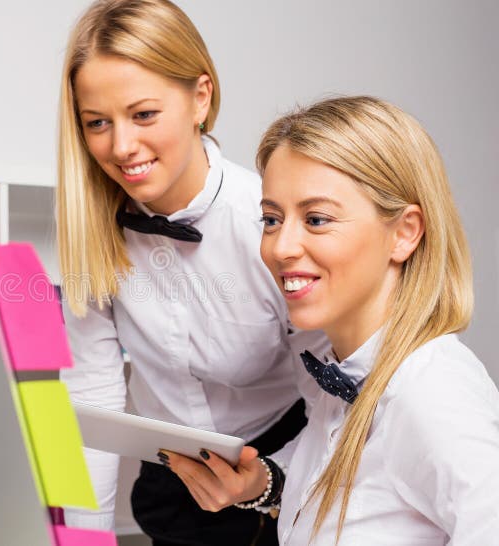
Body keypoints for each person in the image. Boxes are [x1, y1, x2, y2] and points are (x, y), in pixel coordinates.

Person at [166, 95, 499, 544]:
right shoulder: (342, 378)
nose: (281, 247)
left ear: (404, 233)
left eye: (317, 219)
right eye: (271, 219)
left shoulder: (432, 392)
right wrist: (260, 483)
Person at [56, 1, 326, 544]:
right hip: (169, 492)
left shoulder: (271, 226)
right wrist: (84, 540)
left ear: (200, 97)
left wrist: (270, 482)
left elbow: (333, 403)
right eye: (97, 123)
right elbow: (90, 397)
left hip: (282, 483)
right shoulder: (90, 225)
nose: (122, 146)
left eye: (144, 114)